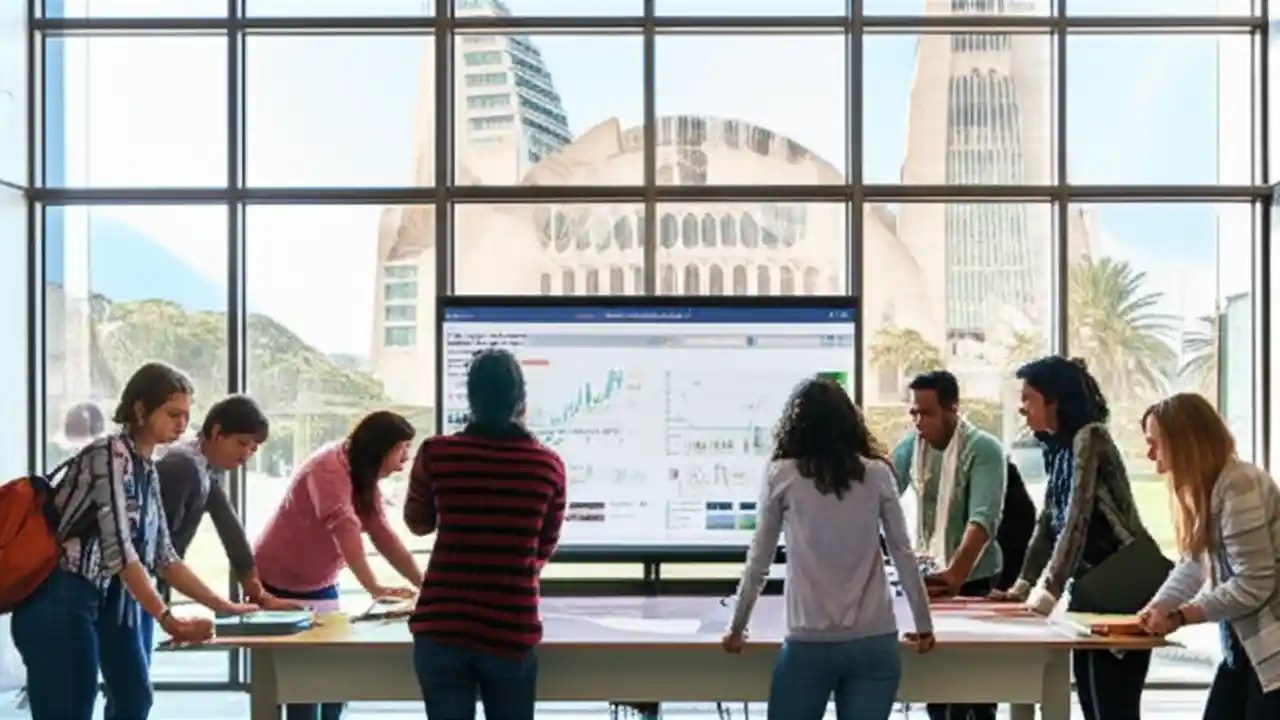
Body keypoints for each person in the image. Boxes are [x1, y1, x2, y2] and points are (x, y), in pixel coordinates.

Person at [11, 362, 257, 720]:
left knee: (135, 698)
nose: (182, 425)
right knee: (70, 709)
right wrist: (167, 618)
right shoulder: (108, 454)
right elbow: (122, 552)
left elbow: (164, 556)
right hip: (60, 596)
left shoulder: (146, 468)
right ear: (140, 409)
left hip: (101, 598)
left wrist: (223, 604)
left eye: (186, 415)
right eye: (173, 413)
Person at [724, 376, 934, 720]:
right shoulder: (878, 473)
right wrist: (924, 624)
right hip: (874, 640)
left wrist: (736, 627)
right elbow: (902, 552)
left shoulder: (782, 474)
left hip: (809, 643)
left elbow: (759, 560)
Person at [992, 355, 1158, 720]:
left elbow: (1076, 521)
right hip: (1090, 589)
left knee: (1113, 707)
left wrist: (1046, 593)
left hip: (1120, 586)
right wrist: (1022, 586)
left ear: (1055, 401)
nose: (1022, 409)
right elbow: (1048, 522)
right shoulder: (1058, 448)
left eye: (1028, 399)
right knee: (1091, 700)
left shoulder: (1090, 438)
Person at [405, 348, 566, 720]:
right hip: (510, 627)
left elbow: (418, 523)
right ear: (520, 399)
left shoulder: (437, 453)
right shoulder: (547, 466)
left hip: (442, 625)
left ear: (471, 398)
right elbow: (544, 547)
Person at [253, 410, 423, 720]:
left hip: (319, 584)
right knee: (301, 689)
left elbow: (382, 533)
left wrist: (425, 584)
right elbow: (346, 530)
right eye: (402, 449)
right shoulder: (329, 468)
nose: (406, 459)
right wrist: (374, 587)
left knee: (331, 686)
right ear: (382, 449)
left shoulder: (361, 472)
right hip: (277, 582)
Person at [1138, 393, 1280, 719]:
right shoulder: (1209, 488)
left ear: (1185, 442)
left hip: (1270, 652)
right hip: (1245, 651)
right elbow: (1192, 563)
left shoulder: (1239, 485)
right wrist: (1158, 607)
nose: (1149, 453)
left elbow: (1254, 583)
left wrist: (1183, 615)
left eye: (1155, 442)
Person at [889, 370, 1005, 720]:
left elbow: (982, 519)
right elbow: (881, 495)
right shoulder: (910, 447)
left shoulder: (984, 449)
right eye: (913, 412)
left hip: (974, 577)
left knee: (977, 690)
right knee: (937, 685)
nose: (917, 421)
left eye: (926, 413)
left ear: (952, 409)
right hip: (932, 580)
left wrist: (955, 575)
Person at [155, 394, 300, 610]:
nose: (246, 454)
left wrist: (257, 593)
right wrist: (221, 605)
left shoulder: (208, 468)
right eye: (241, 443)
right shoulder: (183, 467)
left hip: (154, 581)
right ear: (216, 432)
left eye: (253, 449)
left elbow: (230, 527)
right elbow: (158, 551)